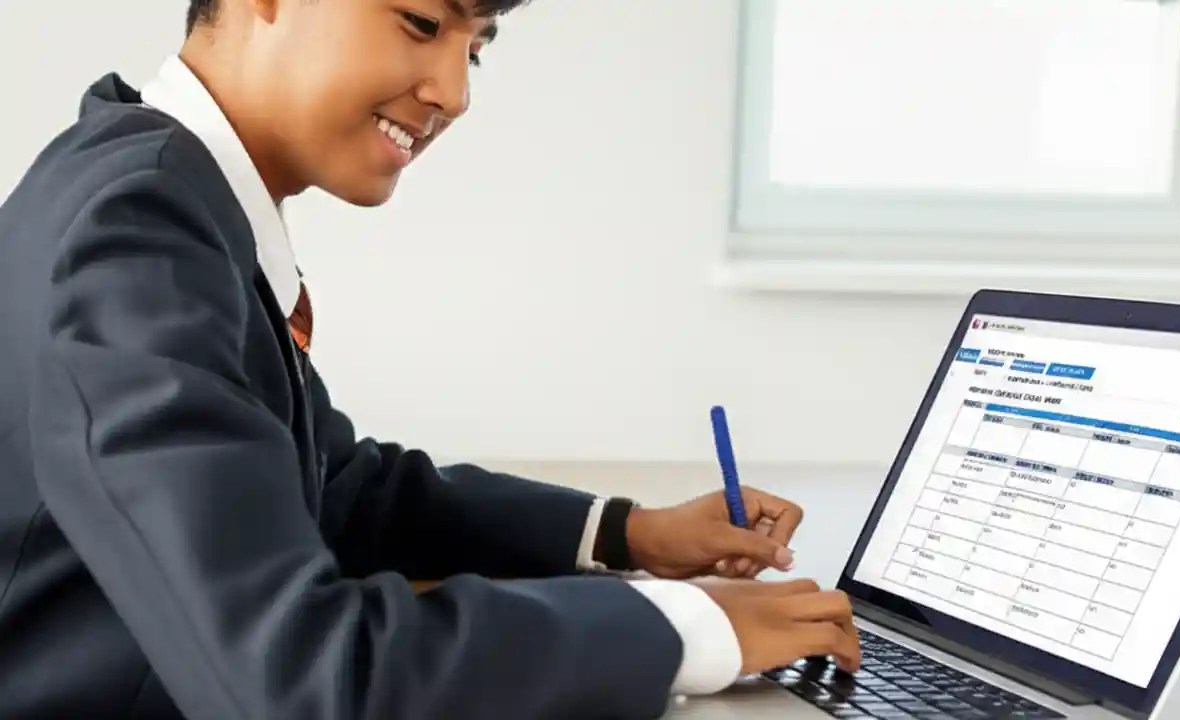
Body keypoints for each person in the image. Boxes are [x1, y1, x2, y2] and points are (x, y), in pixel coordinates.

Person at [0, 0, 861, 717]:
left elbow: (336, 488)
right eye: (421, 24)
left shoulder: (161, 192)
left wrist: (629, 534)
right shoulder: (138, 235)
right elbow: (301, 676)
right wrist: (683, 628)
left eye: (475, 49)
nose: (454, 93)